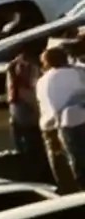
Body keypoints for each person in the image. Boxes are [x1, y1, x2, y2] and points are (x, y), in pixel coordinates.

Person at [36, 46, 85, 193]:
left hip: (63, 126)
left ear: (47, 63)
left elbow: (52, 108)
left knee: (72, 164)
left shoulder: (45, 80)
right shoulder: (80, 71)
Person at [7, 44, 51, 182]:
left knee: (27, 154)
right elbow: (29, 94)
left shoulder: (13, 66)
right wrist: (41, 114)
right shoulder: (28, 68)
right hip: (30, 119)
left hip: (17, 117)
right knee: (37, 153)